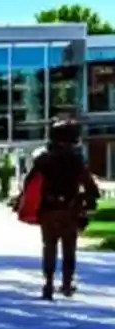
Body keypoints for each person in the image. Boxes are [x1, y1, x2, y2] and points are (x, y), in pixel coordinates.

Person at [19, 118, 99, 300]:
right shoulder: (76, 159)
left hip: (48, 210)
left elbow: (29, 182)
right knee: (69, 248)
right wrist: (91, 200)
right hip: (70, 210)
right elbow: (88, 184)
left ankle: (48, 283)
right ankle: (67, 283)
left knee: (49, 246)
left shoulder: (43, 159)